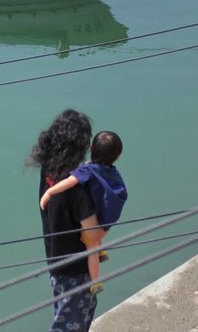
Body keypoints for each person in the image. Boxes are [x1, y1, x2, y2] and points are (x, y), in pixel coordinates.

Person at [26, 109, 105, 332]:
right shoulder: (77, 192)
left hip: (56, 262)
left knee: (66, 317)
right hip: (76, 272)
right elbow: (95, 233)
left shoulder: (49, 170)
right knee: (69, 327)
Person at [39, 130, 127, 294]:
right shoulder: (109, 170)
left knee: (91, 248)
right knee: (97, 237)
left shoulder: (87, 170)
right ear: (118, 156)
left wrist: (50, 192)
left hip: (94, 227)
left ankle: (95, 281)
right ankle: (101, 250)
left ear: (92, 149)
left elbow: (69, 182)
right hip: (106, 217)